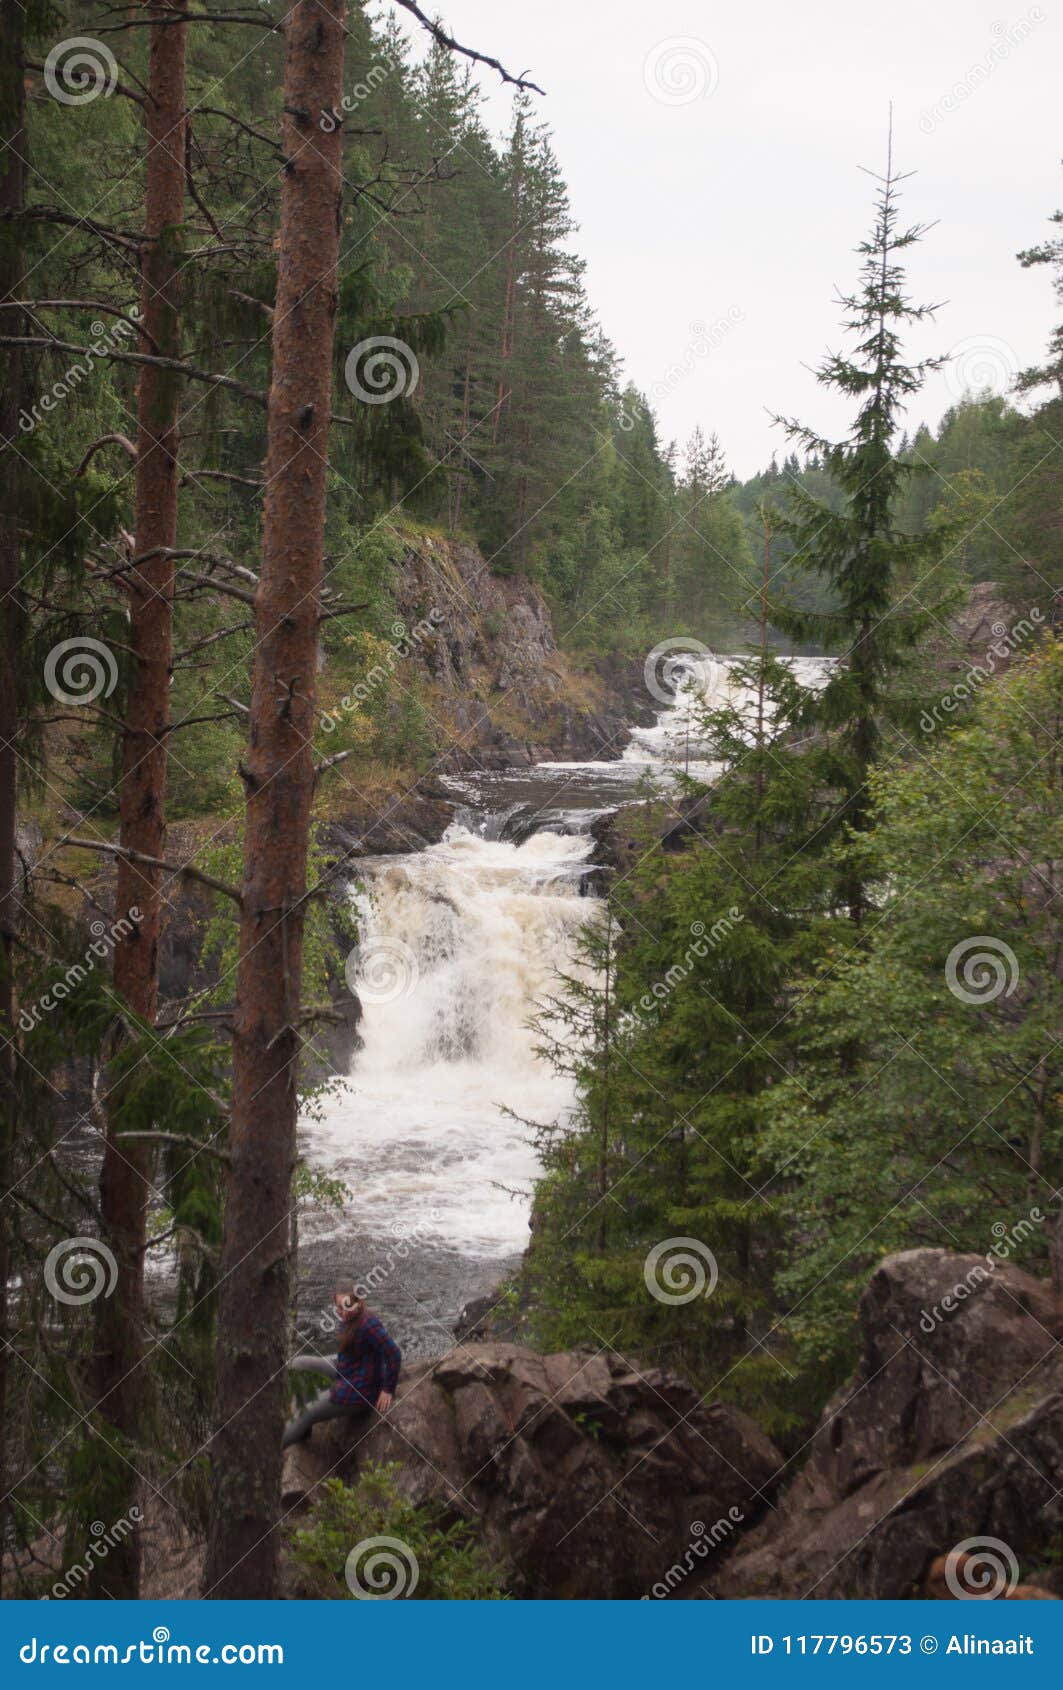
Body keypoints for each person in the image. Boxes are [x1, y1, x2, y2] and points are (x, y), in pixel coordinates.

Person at [282, 1283, 402, 1448]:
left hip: (360, 1389)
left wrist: (388, 1389)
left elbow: (394, 1353)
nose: (343, 1312)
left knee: (306, 1413)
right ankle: (302, 1431)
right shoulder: (349, 1318)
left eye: (347, 1306)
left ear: (358, 1303)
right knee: (297, 1364)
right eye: (339, 1307)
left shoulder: (369, 1325)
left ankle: (274, 1452)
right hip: (346, 1369)